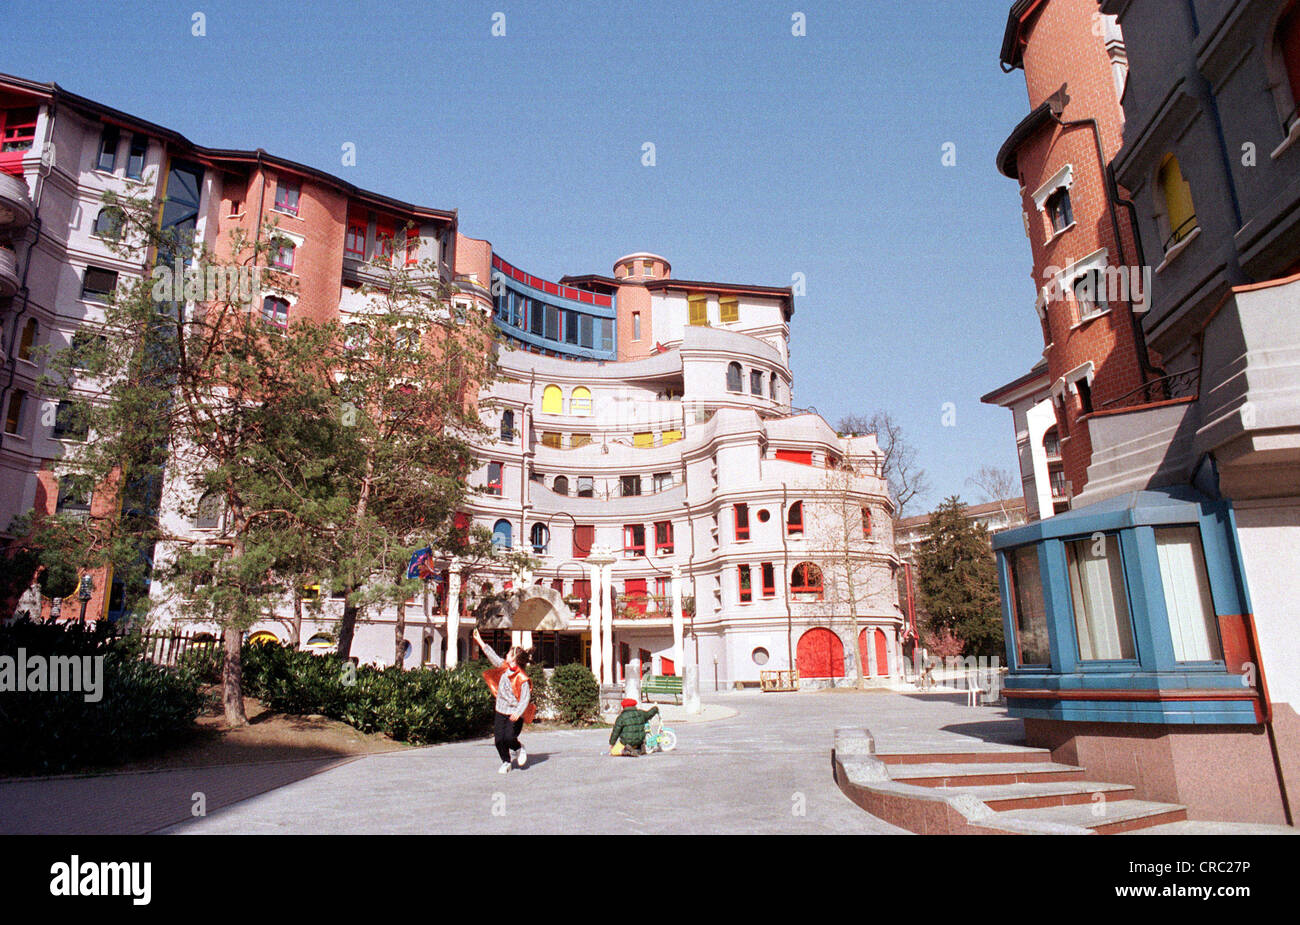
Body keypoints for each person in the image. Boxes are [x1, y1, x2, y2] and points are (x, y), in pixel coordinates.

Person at [472, 628, 535, 774]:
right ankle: (506, 761)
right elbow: (492, 656)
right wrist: (480, 641)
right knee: (499, 740)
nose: (506, 655)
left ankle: (518, 748)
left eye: (509, 653)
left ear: (514, 659)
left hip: (514, 713)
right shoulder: (504, 667)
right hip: (501, 710)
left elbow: (525, 698)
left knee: (509, 737)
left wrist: (518, 713)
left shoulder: (522, 678)